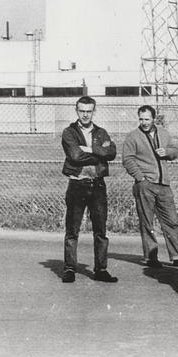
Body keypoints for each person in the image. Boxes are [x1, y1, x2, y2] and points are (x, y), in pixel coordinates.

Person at [60, 96, 118, 284]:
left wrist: (90, 148)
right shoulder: (69, 132)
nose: (85, 114)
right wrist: (98, 154)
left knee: (100, 230)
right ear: (76, 111)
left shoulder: (101, 132)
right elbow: (75, 156)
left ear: (94, 111)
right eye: (82, 111)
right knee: (72, 229)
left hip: (98, 185)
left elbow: (112, 153)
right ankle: (69, 268)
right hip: (77, 184)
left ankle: (101, 269)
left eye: (89, 111)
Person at [122, 105, 178, 268]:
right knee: (147, 222)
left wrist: (168, 152)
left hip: (164, 184)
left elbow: (174, 150)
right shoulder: (132, 137)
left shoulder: (163, 133)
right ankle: (151, 257)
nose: (144, 122)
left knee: (172, 221)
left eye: (147, 119)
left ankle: (177, 255)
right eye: (141, 119)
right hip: (145, 185)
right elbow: (128, 160)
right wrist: (140, 178)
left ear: (154, 119)